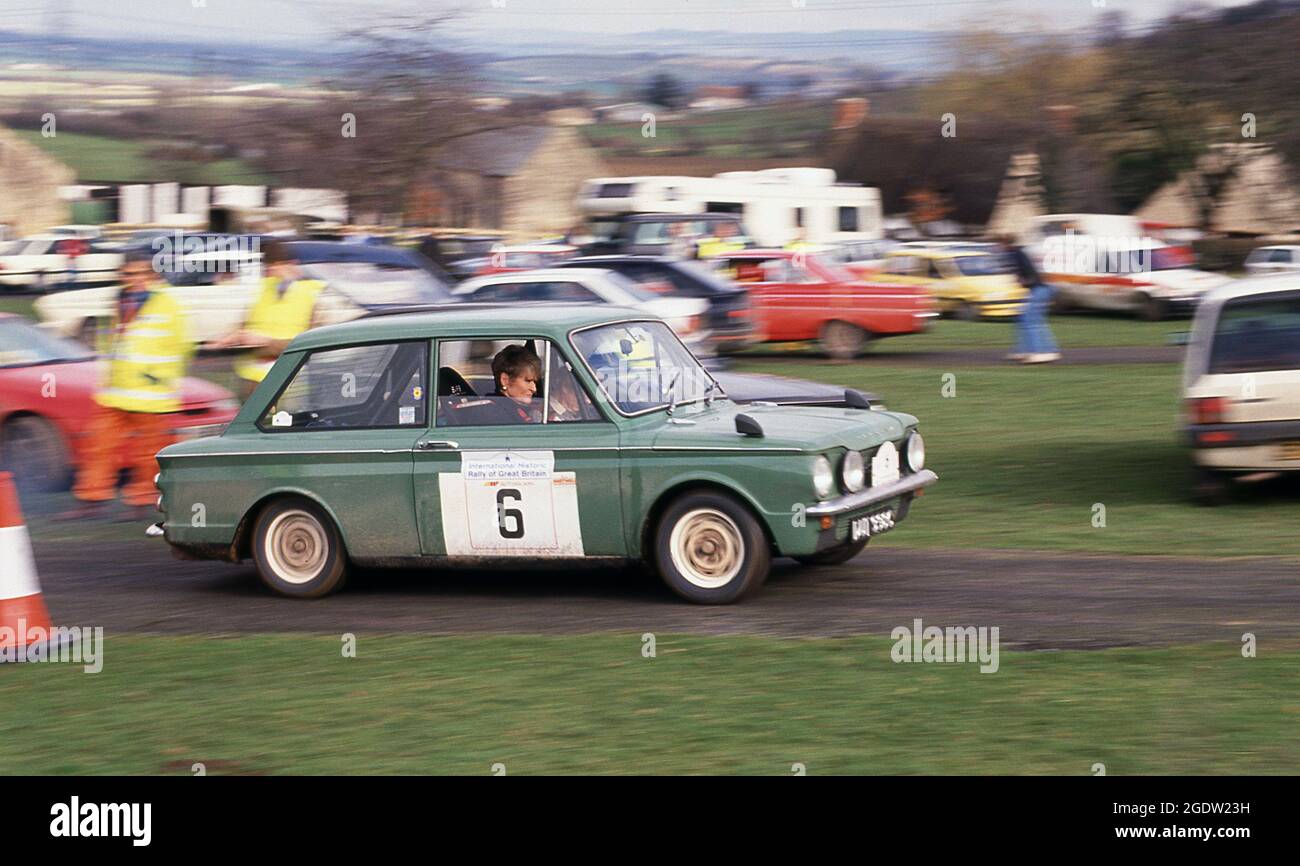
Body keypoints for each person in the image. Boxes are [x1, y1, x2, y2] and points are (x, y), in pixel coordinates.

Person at [62, 249, 193, 520]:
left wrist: (158, 376)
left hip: (151, 395)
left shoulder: (167, 303)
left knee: (146, 455)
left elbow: (181, 346)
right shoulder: (120, 301)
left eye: (139, 273)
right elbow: (116, 344)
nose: (133, 279)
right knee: (97, 447)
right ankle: (91, 500)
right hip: (115, 393)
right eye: (127, 274)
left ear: (152, 275)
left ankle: (139, 505)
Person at [207, 241, 325, 396]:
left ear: (292, 264)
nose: (271, 271)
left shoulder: (312, 294)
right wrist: (232, 338)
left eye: (276, 266)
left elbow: (312, 343)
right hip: (252, 378)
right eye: (268, 266)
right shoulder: (264, 287)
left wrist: (266, 342)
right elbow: (246, 323)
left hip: (287, 379)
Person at [1006, 240, 1060, 364]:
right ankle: (1025, 350)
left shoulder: (1018, 254)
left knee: (1030, 320)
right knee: (1023, 318)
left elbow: (1032, 277)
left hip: (1041, 289)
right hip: (1041, 288)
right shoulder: (1018, 253)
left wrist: (1023, 281)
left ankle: (1041, 351)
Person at [490, 344, 542, 423]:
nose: (534, 389)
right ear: (505, 380)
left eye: (535, 382)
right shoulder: (494, 414)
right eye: (528, 381)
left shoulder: (515, 411)